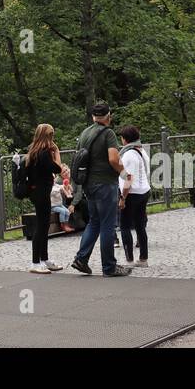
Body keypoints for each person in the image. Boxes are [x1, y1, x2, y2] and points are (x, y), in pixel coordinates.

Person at [70, 103, 131, 277]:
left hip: (89, 184)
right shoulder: (108, 133)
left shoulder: (85, 133)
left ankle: (81, 259)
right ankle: (109, 267)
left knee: (94, 222)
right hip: (105, 183)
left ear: (93, 117)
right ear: (108, 116)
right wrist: (124, 173)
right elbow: (113, 158)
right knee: (107, 225)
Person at [22, 124, 64, 274]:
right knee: (41, 227)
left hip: (36, 192)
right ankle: (35, 262)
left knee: (44, 225)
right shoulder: (44, 153)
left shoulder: (33, 152)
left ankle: (44, 259)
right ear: (49, 136)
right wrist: (57, 151)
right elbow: (57, 168)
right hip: (41, 192)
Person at [118, 125, 150, 267]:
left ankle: (129, 260)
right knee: (139, 225)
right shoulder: (142, 151)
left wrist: (123, 198)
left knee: (124, 226)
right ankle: (143, 258)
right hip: (144, 190)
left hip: (132, 193)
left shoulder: (128, 154)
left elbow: (128, 178)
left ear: (125, 139)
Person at [51, 165, 75, 231]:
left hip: (59, 204)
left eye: (53, 179)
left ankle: (66, 224)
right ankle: (62, 225)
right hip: (53, 206)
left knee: (67, 211)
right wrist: (60, 189)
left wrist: (66, 186)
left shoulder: (56, 185)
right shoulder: (49, 187)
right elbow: (53, 192)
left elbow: (61, 186)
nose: (53, 181)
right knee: (62, 211)